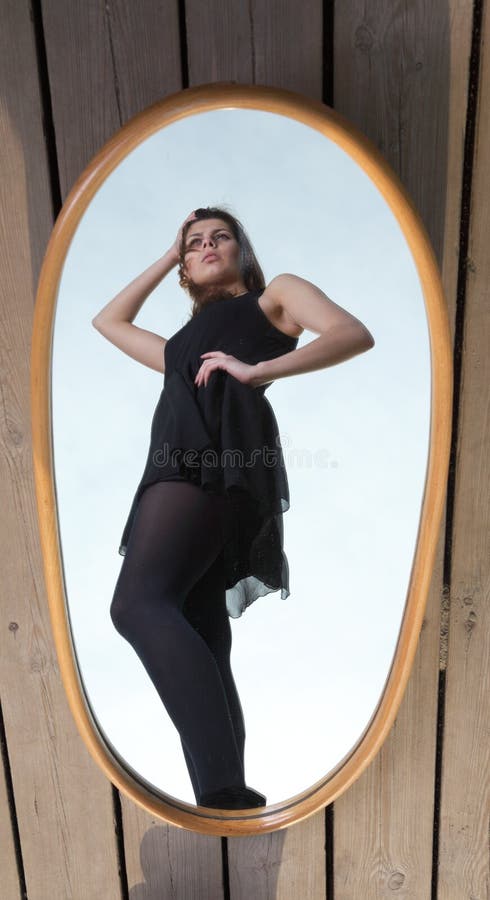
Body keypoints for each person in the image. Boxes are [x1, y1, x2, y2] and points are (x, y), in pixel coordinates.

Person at [92, 206, 375, 810]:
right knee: (200, 627)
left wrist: (257, 369)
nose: (207, 245)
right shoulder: (178, 348)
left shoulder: (275, 296)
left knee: (138, 605)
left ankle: (223, 792)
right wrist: (169, 256)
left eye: (221, 236)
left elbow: (352, 333)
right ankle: (223, 795)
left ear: (243, 250)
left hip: (211, 463)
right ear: (185, 269)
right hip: (178, 471)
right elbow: (108, 319)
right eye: (195, 243)